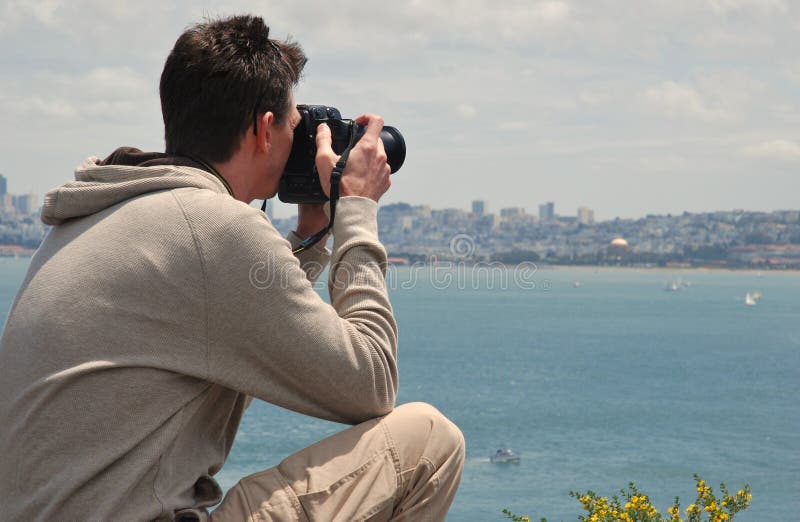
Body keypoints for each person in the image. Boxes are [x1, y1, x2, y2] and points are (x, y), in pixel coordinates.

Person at [0, 15, 464, 521]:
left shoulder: (99, 212)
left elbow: (234, 321)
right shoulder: (212, 228)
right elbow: (370, 383)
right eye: (295, 126)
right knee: (428, 440)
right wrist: (355, 212)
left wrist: (312, 234)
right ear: (265, 129)